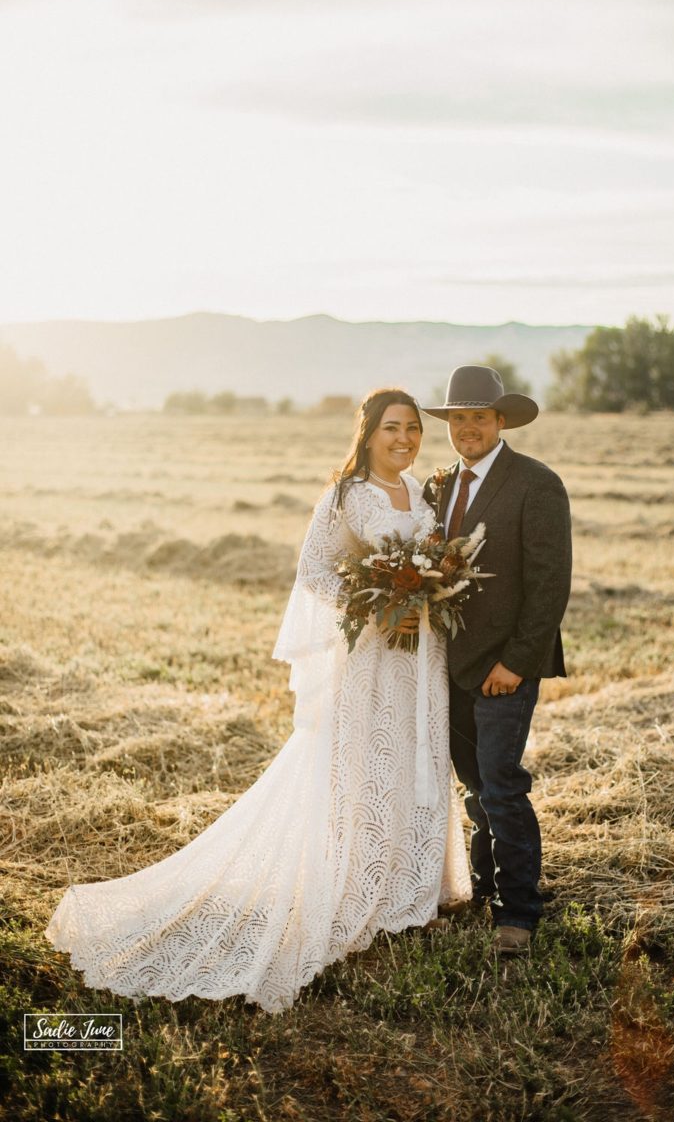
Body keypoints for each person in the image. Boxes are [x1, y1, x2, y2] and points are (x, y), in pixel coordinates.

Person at [45, 388, 471, 1013]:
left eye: (411, 428)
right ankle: (361, 891)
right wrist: (375, 607)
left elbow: (437, 564)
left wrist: (428, 597)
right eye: (391, 428)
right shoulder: (347, 496)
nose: (404, 439)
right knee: (365, 769)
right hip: (372, 658)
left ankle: (411, 892)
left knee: (417, 760)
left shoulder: (424, 495)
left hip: (421, 658)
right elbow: (315, 572)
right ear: (367, 433)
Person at [423, 366, 572, 954]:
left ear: (500, 421)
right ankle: (484, 887)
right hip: (450, 665)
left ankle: (519, 912)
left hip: (505, 668)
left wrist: (516, 662)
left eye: (478, 418)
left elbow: (549, 583)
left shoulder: (537, 483)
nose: (467, 429)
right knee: (473, 784)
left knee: (503, 786)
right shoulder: (440, 486)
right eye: (457, 419)